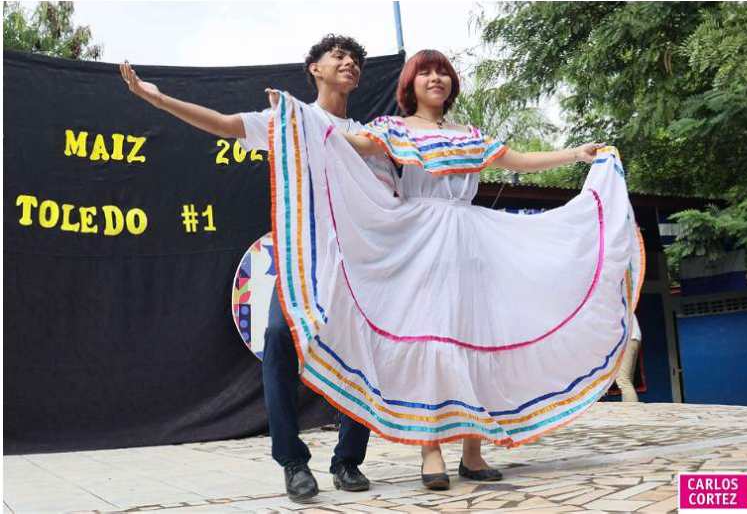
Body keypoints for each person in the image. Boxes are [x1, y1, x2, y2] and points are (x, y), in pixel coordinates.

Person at [262, 49, 644, 491]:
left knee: (475, 338)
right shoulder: (392, 129)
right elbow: (349, 143)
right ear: (410, 84)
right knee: (433, 343)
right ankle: (431, 450)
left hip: (470, 240)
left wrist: (575, 153)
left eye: (442, 72)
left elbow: (517, 160)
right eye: (425, 72)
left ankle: (473, 450)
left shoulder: (470, 134)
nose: (435, 78)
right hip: (419, 241)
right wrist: (296, 116)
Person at [119, 34, 394, 502]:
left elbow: (390, 200)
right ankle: (292, 462)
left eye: (355, 60)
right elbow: (225, 125)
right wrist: (157, 98)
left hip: (352, 268)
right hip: (301, 260)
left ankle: (348, 460)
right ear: (315, 69)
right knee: (278, 344)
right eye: (338, 56)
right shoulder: (288, 123)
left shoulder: (370, 138)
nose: (349, 63)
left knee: (362, 358)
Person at [615, 314, 642, 402]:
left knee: (623, 380)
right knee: (627, 379)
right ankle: (629, 408)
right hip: (633, 337)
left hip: (627, 338)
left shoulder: (613, 302)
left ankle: (632, 411)